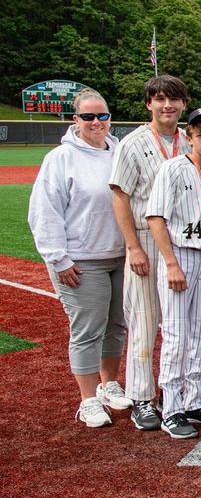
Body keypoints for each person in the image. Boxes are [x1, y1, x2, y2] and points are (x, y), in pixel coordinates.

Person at [29, 90, 129, 427]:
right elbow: (44, 212)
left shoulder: (118, 152)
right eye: (88, 117)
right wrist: (58, 258)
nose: (96, 122)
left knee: (116, 325)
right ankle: (87, 399)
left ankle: (109, 382)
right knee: (88, 330)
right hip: (81, 259)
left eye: (102, 116)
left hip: (120, 255)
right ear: (76, 120)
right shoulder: (61, 158)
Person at [109, 74, 191, 431]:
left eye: (173, 99)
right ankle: (142, 397)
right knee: (144, 321)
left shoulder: (191, 140)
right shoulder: (133, 143)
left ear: (183, 104)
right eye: (159, 99)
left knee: (180, 324)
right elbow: (120, 196)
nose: (167, 105)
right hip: (146, 239)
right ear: (149, 104)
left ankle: (182, 395)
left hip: (184, 241)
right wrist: (134, 247)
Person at [145, 107, 201, 439]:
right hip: (180, 255)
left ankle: (195, 401)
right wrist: (170, 263)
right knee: (177, 336)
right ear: (188, 136)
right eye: (200, 134)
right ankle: (171, 408)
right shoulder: (174, 169)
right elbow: (155, 218)